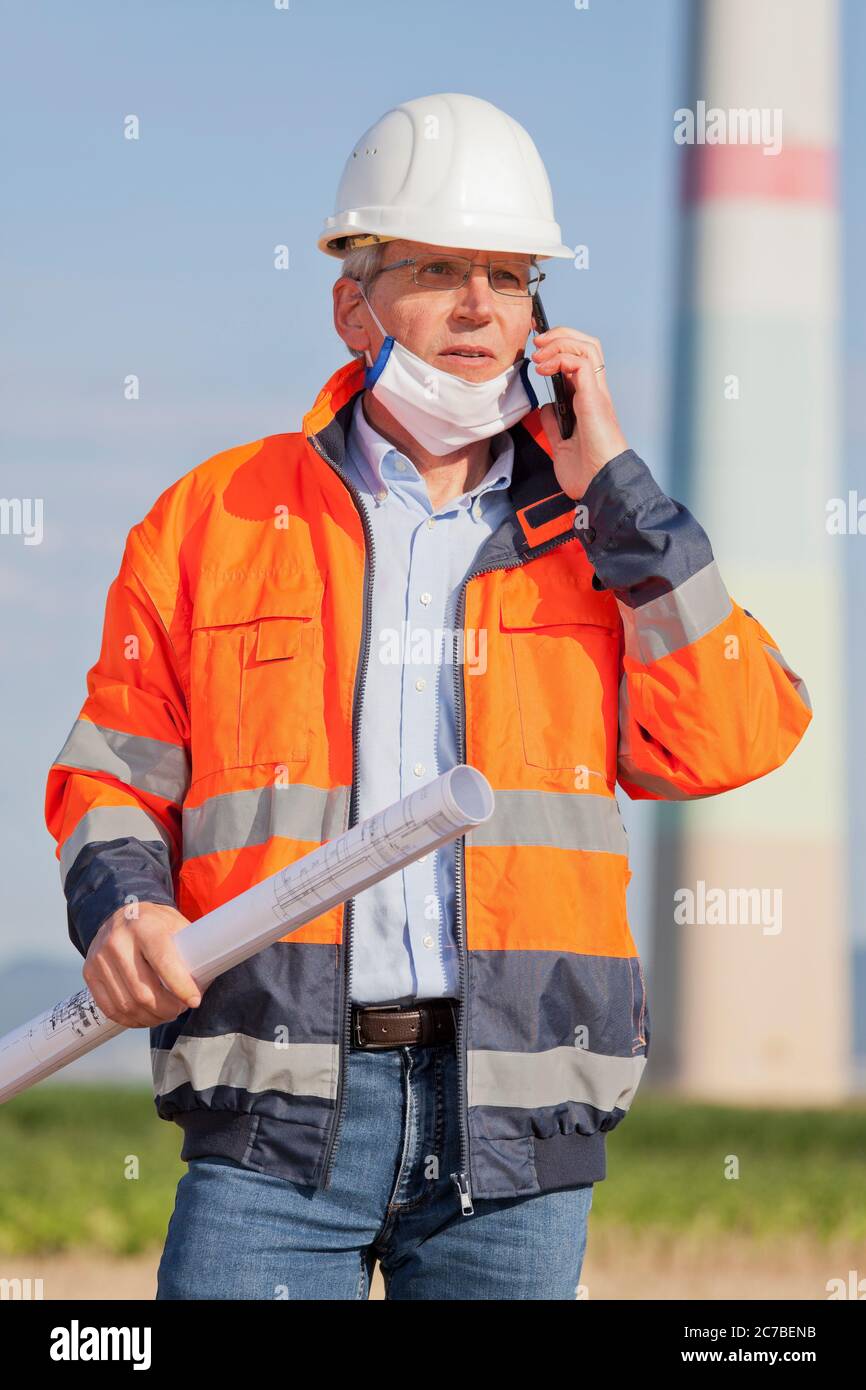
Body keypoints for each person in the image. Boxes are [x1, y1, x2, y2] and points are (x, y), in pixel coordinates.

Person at [44, 93, 812, 1300]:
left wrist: (620, 491)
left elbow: (731, 737)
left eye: (508, 277)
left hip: (516, 1130)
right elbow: (113, 777)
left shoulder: (595, 533)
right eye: (439, 269)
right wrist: (122, 908)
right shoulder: (215, 517)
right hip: (275, 1120)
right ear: (352, 302)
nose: (477, 307)